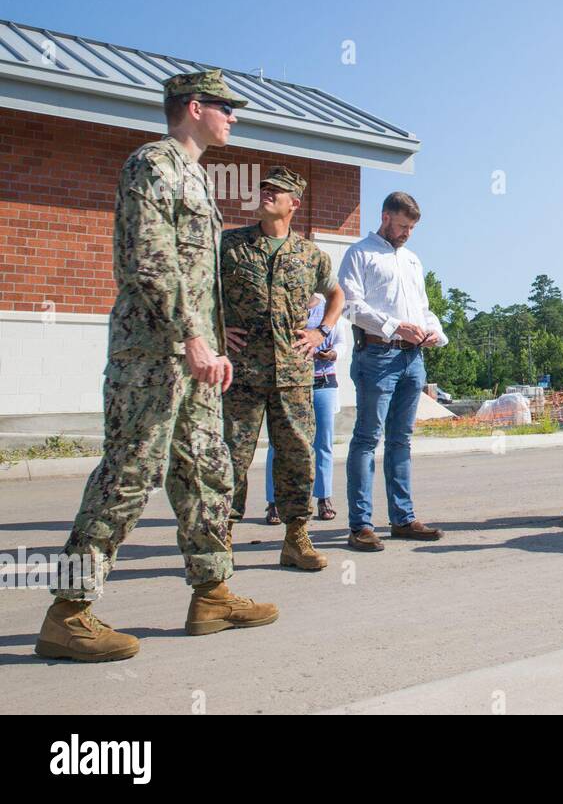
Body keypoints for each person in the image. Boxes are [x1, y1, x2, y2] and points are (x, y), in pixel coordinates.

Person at [35, 70, 277, 662]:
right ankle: (67, 613)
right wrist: (193, 338)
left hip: (194, 361)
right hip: (153, 355)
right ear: (195, 107)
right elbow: (146, 261)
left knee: (206, 472)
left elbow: (197, 276)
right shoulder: (153, 165)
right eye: (226, 107)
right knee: (128, 476)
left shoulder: (194, 174)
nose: (233, 117)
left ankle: (212, 592)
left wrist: (213, 343)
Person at [221, 167, 344, 570]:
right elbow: (201, 290)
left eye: (277, 191)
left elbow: (336, 293)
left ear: (295, 202)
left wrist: (320, 331)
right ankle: (220, 537)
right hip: (241, 373)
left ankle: (296, 536)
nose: (267, 193)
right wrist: (216, 330)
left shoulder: (310, 255)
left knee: (297, 455)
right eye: (264, 188)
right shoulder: (231, 244)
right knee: (232, 456)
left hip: (292, 373)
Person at [338, 192, 448, 551]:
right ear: (385, 216)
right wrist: (394, 325)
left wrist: (435, 332)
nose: (406, 233)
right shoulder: (360, 254)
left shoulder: (413, 261)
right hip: (377, 356)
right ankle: (361, 525)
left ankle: (402, 518)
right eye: (402, 226)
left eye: (412, 228)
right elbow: (350, 305)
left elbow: (424, 308)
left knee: (401, 440)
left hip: (412, 359)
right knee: (367, 439)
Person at [264, 293, 341, 523]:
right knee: (278, 443)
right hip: (288, 382)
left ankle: (323, 497)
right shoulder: (281, 304)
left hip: (322, 380)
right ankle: (274, 501)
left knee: (323, 443)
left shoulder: (328, 308)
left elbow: (341, 341)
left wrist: (334, 353)